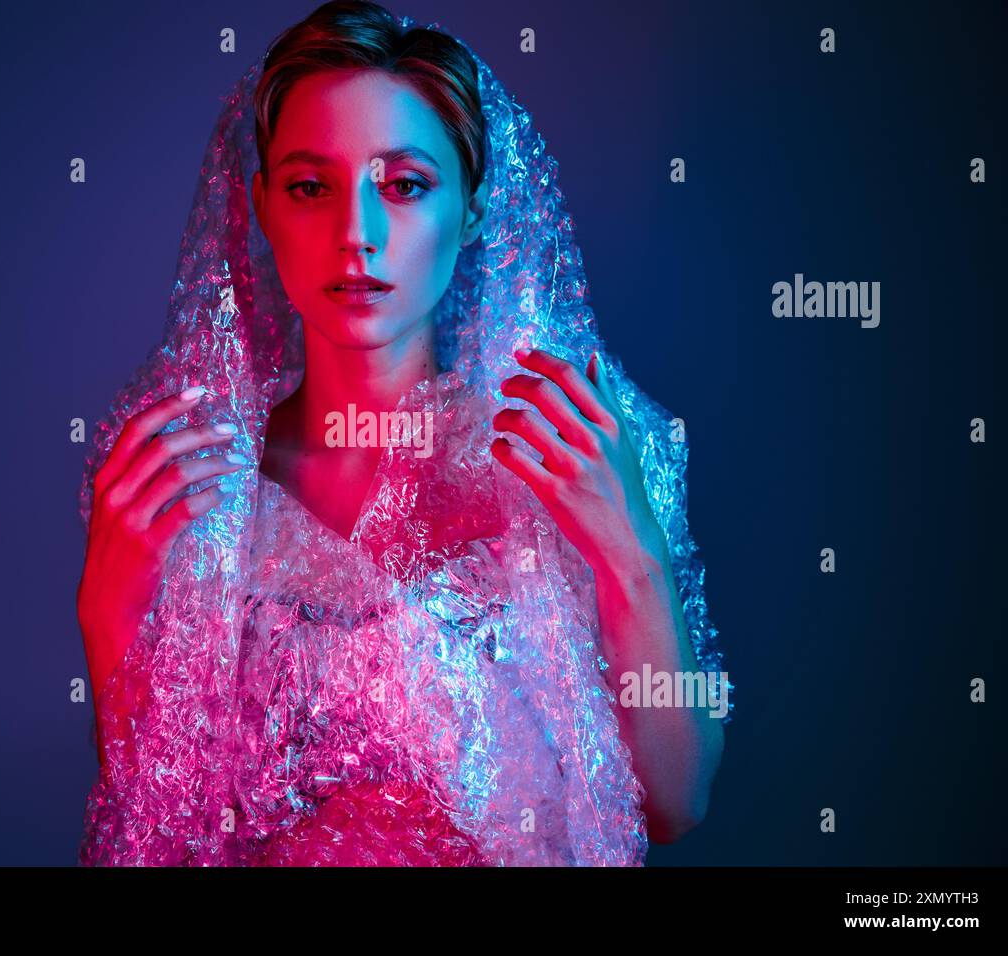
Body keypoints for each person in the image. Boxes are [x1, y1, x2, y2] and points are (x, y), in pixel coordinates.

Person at [75, 0, 730, 866]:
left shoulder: (565, 458)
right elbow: (162, 825)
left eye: (406, 185)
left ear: (474, 211)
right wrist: (108, 610)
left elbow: (672, 804)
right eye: (312, 186)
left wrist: (631, 550)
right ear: (262, 208)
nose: (358, 235)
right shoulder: (194, 484)